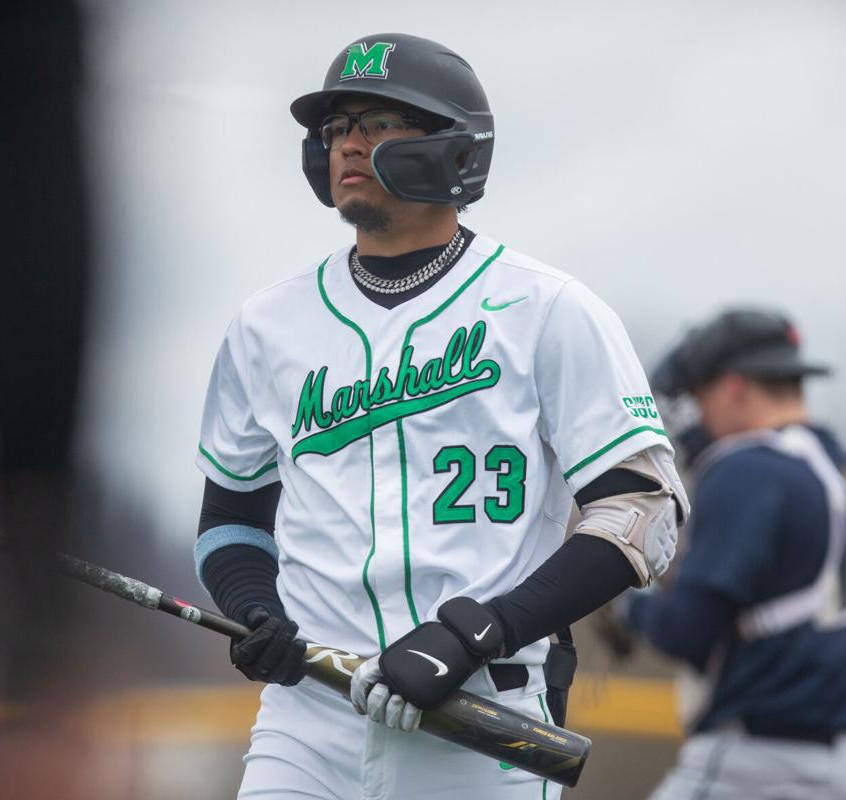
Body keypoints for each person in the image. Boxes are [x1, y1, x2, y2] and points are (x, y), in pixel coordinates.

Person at [191, 33, 689, 800]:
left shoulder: (547, 308)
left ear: (455, 150)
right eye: (336, 128)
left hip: (482, 710)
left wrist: (481, 628)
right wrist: (256, 609)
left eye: (379, 123)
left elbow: (642, 512)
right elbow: (230, 520)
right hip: (310, 717)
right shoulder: (266, 326)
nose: (348, 144)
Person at [618, 308, 846, 800]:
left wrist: (631, 606)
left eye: (700, 396)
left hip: (756, 768)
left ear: (735, 388)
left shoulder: (747, 467)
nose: (696, 415)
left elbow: (686, 631)